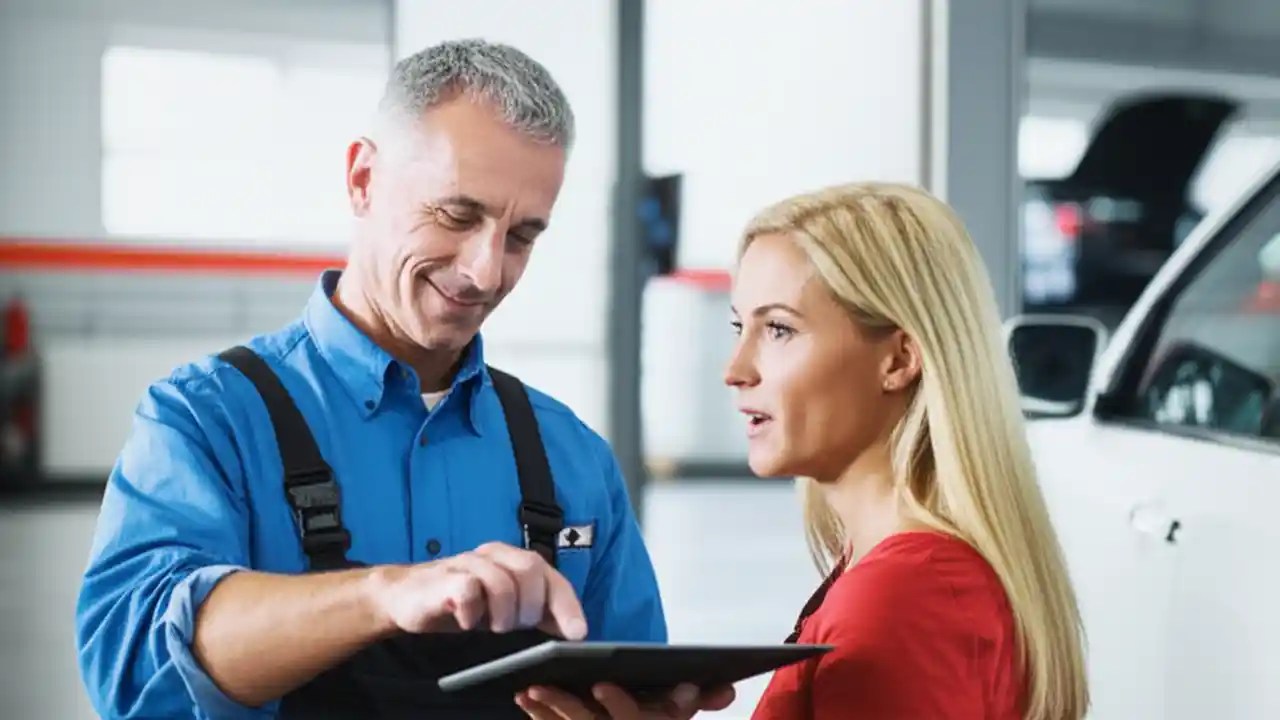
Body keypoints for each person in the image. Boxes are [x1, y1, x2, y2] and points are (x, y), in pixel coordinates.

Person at [74, 39, 730, 720]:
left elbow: (632, 672)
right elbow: (135, 673)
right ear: (363, 179)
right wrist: (383, 596)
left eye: (522, 236)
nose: (486, 271)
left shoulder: (574, 460)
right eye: (457, 215)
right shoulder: (207, 420)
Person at [520, 182, 1091, 720]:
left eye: (780, 330)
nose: (735, 370)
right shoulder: (902, 573)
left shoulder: (902, 596)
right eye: (740, 326)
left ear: (898, 360)